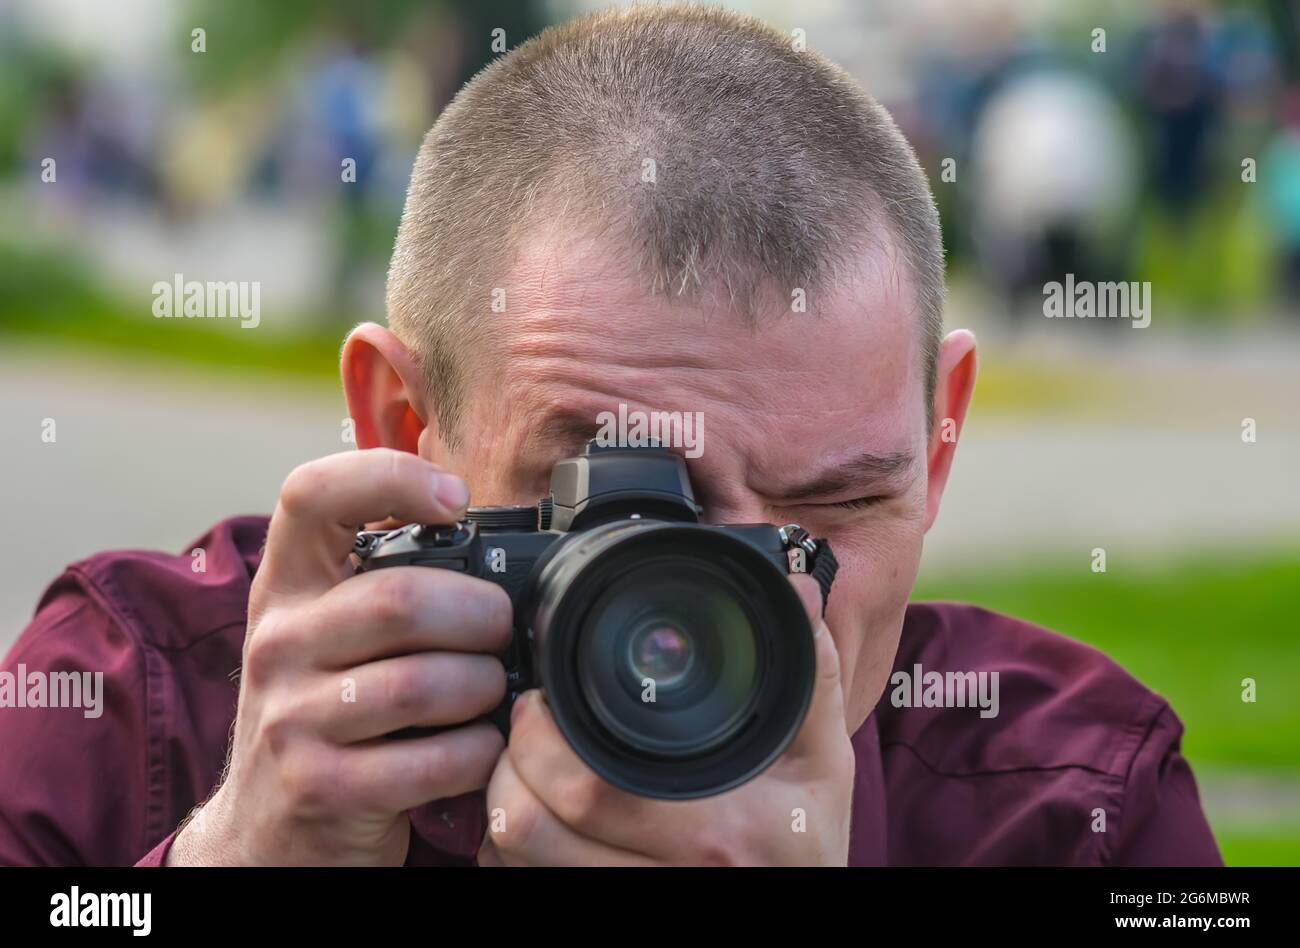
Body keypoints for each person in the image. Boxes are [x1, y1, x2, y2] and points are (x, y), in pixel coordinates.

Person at [0, 5, 1220, 866]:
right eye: (632, 506)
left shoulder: (1071, 805)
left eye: (834, 507)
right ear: (400, 429)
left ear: (935, 444)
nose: (748, 598)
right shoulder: (136, 703)